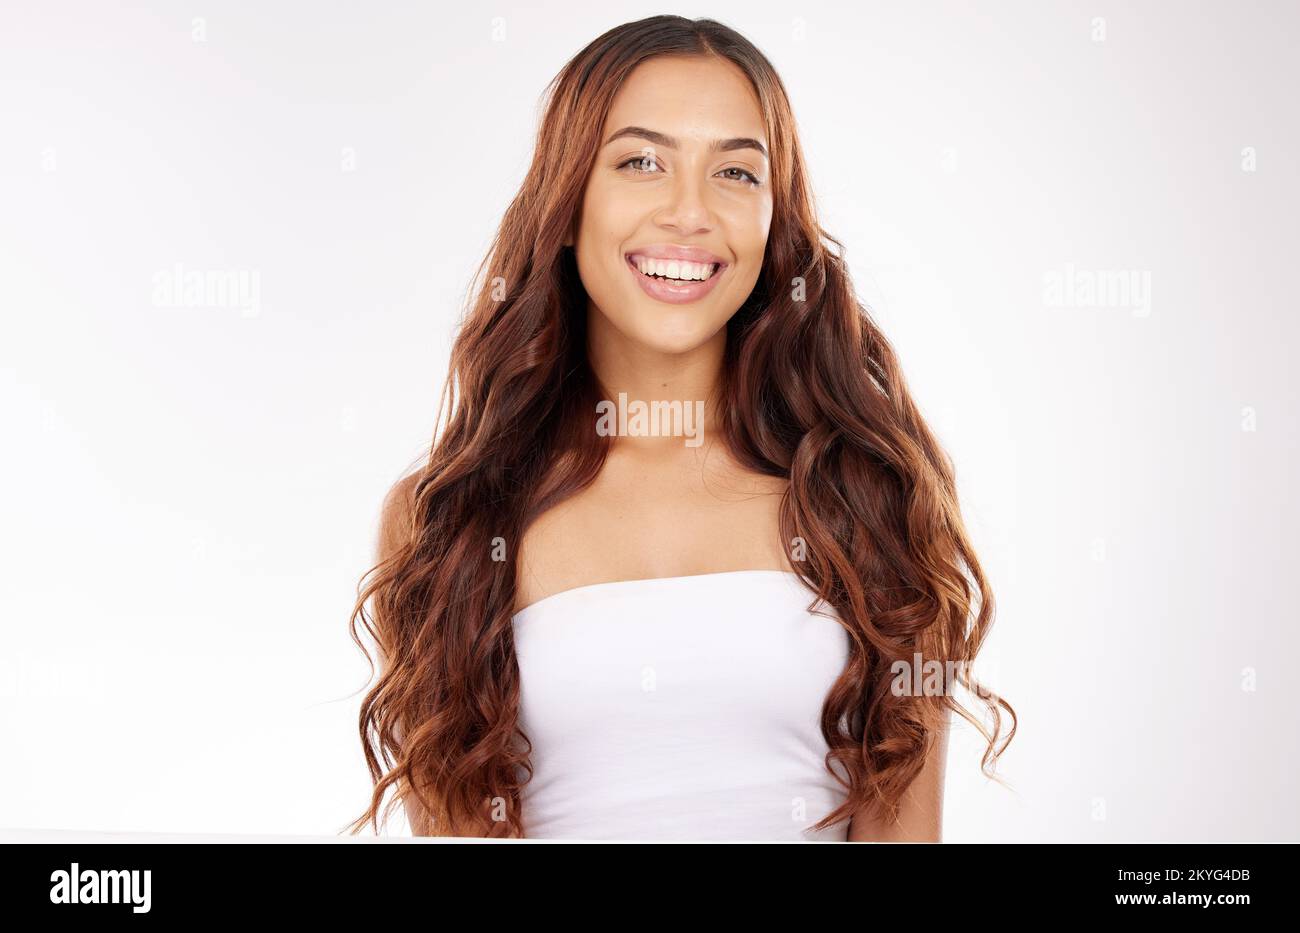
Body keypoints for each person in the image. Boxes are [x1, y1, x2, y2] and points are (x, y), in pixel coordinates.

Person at [347, 15, 1015, 842]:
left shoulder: (871, 493)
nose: (689, 212)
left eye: (735, 172)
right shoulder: (446, 519)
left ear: (775, 218)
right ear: (567, 201)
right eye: (641, 161)